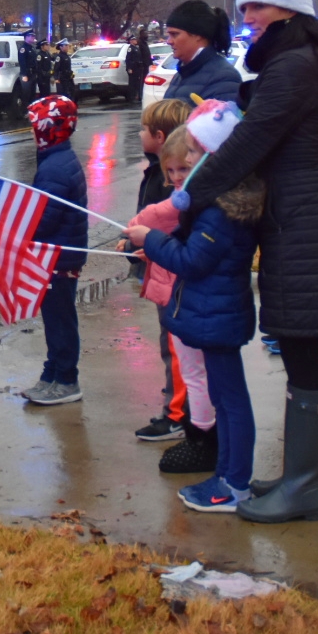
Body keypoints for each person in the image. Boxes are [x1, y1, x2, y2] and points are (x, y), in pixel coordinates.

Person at [176, 0, 318, 523]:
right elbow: (255, 116)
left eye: (258, 5)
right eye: (244, 7)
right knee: (299, 349)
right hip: (301, 220)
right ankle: (302, 478)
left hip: (307, 226)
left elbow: (247, 148)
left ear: (290, 5)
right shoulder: (294, 61)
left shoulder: (293, 67)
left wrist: (182, 199)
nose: (249, 18)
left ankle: (307, 486)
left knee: (305, 351)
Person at [128, 112, 263, 513]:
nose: (178, 176)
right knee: (223, 399)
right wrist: (152, 243)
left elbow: (193, 261)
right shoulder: (213, 202)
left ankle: (235, 483)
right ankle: (224, 474)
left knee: (232, 402)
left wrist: (151, 239)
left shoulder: (220, 210)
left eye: (193, 159)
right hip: (212, 313)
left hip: (218, 315)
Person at [130, 97, 195, 443]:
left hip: (174, 287)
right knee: (172, 350)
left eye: (143, 129)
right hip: (165, 276)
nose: (175, 179)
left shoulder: (177, 192)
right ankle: (178, 407)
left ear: (159, 135)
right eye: (172, 173)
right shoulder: (160, 175)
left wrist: (139, 234)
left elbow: (156, 218)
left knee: (177, 352)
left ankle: (178, 415)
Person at [21, 94, 87, 406]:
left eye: (35, 125)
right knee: (56, 318)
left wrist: (18, 230)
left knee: (60, 319)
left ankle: (67, 379)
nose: (31, 131)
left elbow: (44, 218)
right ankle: (53, 372)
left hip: (58, 257)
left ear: (49, 129)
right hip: (60, 254)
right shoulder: (56, 161)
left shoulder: (55, 169)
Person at [163, 0, 241, 105]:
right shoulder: (181, 74)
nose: (169, 41)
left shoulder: (224, 77)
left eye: (174, 34)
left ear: (198, 35)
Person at [126, 26, 152, 98]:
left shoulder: (144, 43)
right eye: (145, 34)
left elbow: (147, 55)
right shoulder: (139, 44)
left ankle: (141, 95)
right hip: (142, 66)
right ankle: (140, 96)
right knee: (140, 82)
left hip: (147, 66)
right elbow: (134, 57)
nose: (146, 35)